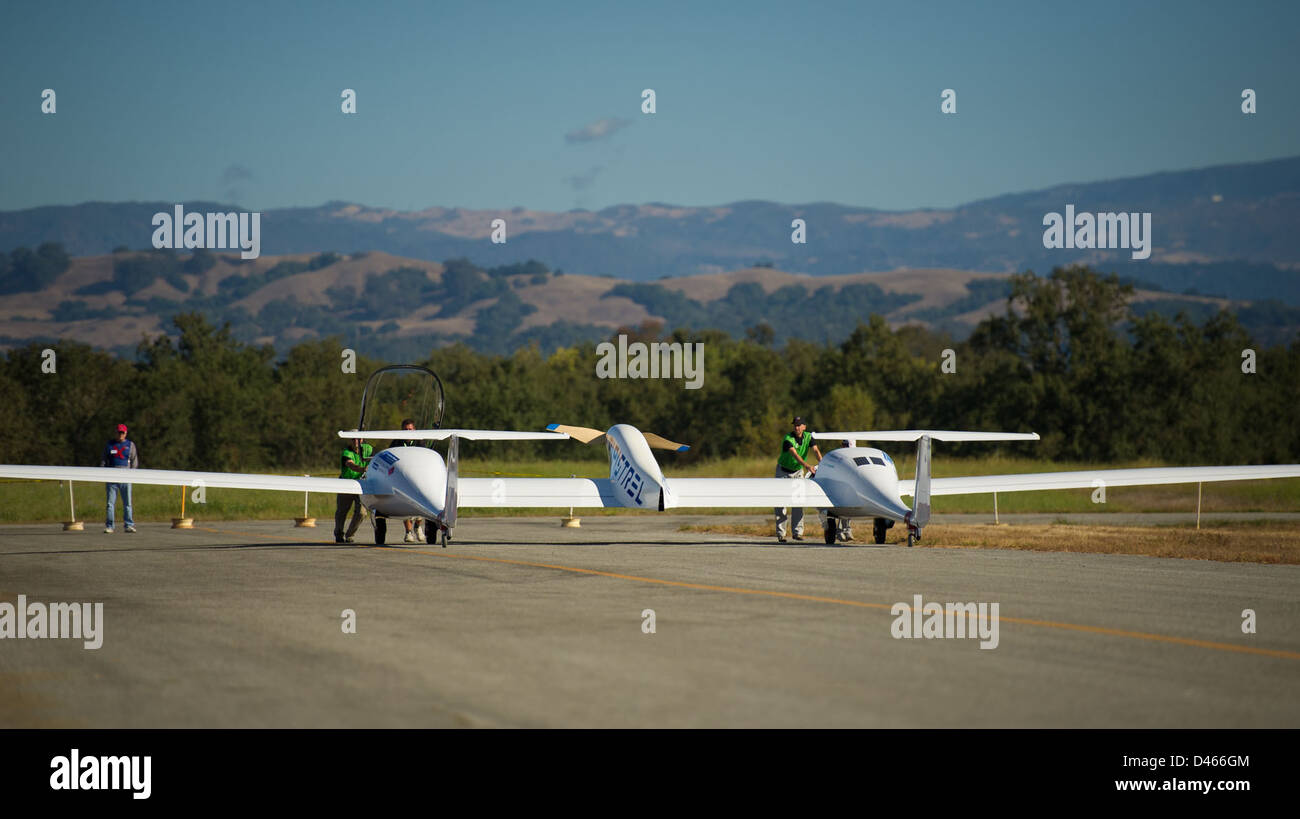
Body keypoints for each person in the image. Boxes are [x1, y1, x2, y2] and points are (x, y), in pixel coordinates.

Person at [774, 416, 822, 542]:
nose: (797, 427)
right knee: (781, 503)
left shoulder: (808, 437)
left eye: (799, 425)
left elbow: (816, 450)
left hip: (797, 472)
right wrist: (807, 466)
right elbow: (794, 455)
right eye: (795, 425)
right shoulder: (788, 438)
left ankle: (797, 533)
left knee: (798, 502)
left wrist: (823, 463)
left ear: (804, 427)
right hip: (783, 472)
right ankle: (781, 534)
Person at [99, 423, 138, 533]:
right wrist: (103, 473)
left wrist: (132, 475)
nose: (120, 435)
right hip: (112, 478)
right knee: (110, 504)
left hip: (126, 477)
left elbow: (134, 461)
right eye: (119, 432)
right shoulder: (109, 445)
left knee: (128, 503)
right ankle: (110, 525)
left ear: (126, 433)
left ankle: (128, 524)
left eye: (122, 432)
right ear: (116, 433)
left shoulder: (130, 445)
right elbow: (103, 460)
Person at [335, 434, 373, 543]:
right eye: (353, 439)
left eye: (358, 438)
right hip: (346, 483)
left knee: (362, 512)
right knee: (342, 510)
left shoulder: (369, 449)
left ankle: (350, 534)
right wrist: (363, 469)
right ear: (351, 440)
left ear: (362, 439)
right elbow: (351, 465)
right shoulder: (346, 452)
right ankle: (338, 533)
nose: (356, 441)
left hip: (361, 484)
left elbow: (377, 459)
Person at [392, 418, 423, 543]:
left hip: (418, 477)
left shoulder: (420, 442)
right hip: (403, 478)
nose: (408, 432)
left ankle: (418, 526)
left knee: (421, 503)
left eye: (410, 429)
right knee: (405, 504)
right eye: (406, 430)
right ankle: (408, 532)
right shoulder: (396, 443)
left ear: (414, 430)